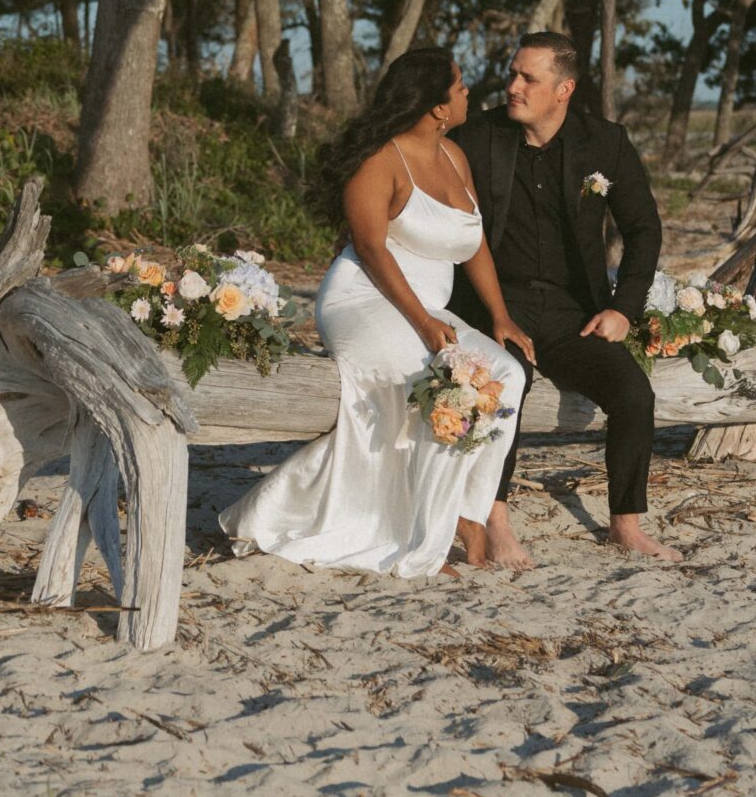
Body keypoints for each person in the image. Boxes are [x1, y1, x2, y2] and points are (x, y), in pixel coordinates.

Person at [220, 48, 534, 577]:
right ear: (435, 106)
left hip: (425, 306)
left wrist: (500, 316)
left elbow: (475, 242)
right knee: (447, 383)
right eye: (457, 87)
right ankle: (422, 538)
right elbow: (371, 250)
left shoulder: (455, 158)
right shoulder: (380, 161)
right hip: (365, 302)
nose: (466, 94)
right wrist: (423, 322)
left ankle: (469, 513)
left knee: (506, 374)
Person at [448, 31, 679, 565]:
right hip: (494, 304)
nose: (513, 86)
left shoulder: (606, 143)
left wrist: (624, 309)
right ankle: (495, 521)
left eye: (528, 78)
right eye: (512, 73)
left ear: (564, 89)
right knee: (509, 385)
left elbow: (644, 229)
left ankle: (626, 525)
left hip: (575, 312)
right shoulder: (478, 135)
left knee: (632, 394)